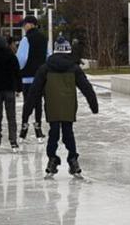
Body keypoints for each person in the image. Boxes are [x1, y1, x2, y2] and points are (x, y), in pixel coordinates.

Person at [30, 46, 98, 176]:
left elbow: (34, 90)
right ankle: (73, 160)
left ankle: (52, 160)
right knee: (68, 132)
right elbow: (86, 87)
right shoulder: (74, 68)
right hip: (68, 106)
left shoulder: (45, 68)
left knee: (53, 133)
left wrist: (27, 111)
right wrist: (93, 105)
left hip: (52, 105)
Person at [14, 15, 47, 144]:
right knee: (38, 103)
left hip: (27, 78)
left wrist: (19, 71)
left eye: (24, 24)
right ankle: (38, 128)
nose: (23, 27)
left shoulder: (25, 40)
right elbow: (48, 56)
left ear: (30, 24)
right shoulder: (44, 39)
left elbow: (21, 59)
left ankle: (24, 128)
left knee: (27, 103)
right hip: (40, 77)